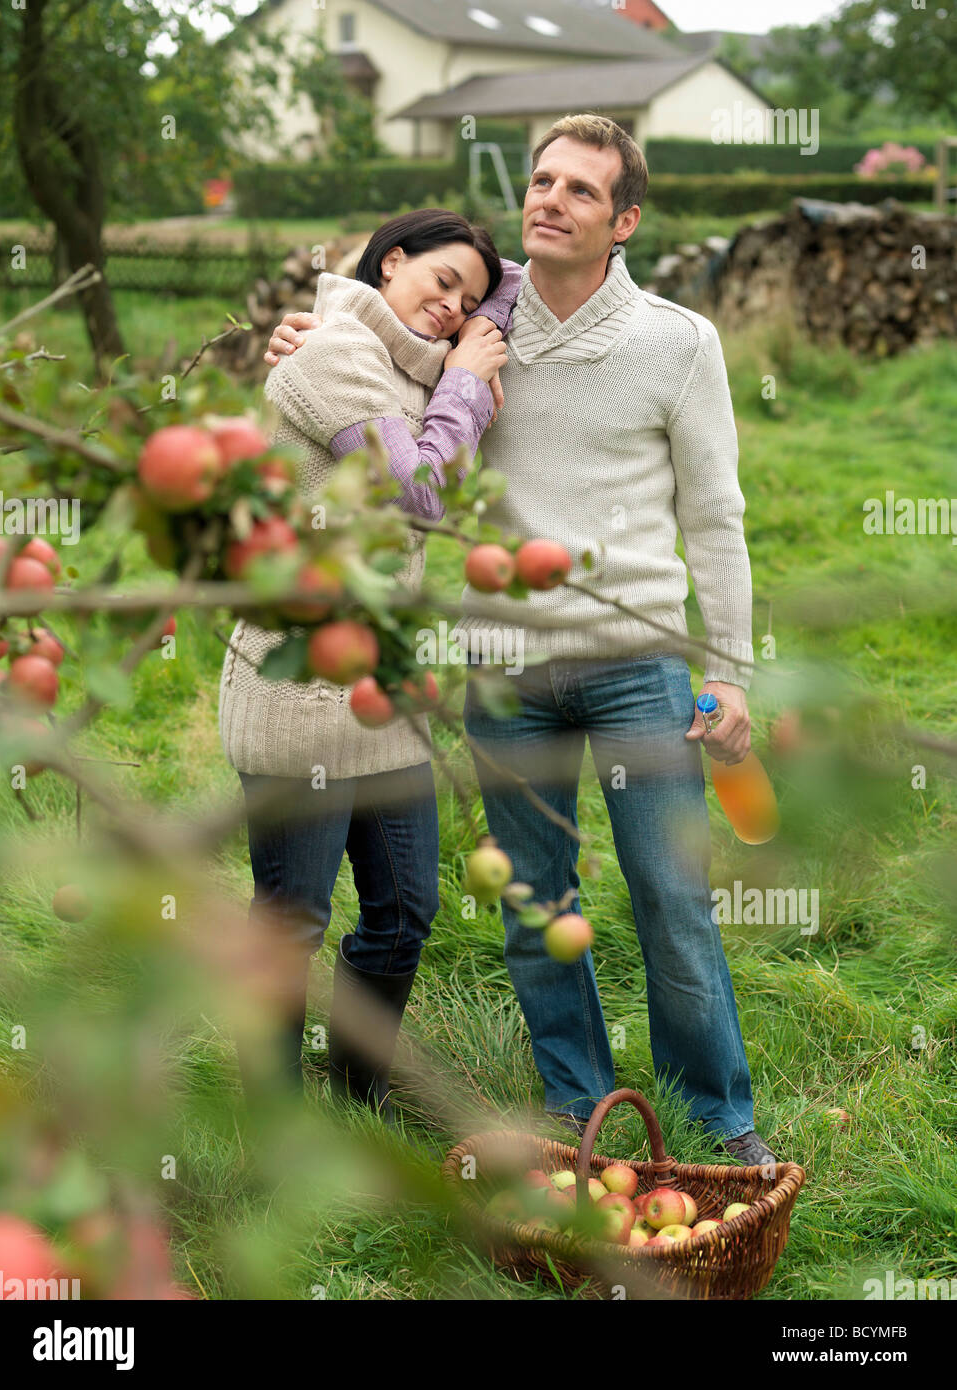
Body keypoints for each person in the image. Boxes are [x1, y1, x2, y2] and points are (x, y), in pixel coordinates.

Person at [266, 116, 779, 1166]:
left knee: (670, 896)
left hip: (636, 666)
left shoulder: (677, 343)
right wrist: (303, 334)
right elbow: (367, 336)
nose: (547, 199)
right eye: (539, 181)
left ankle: (717, 1119)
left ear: (623, 220)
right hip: (500, 662)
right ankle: (573, 1103)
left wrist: (726, 671)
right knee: (534, 904)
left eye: (578, 191)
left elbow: (714, 518)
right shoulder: (477, 325)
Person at [220, 208, 512, 1121]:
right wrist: (464, 380)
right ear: (393, 263)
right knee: (294, 918)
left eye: (467, 301)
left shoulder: (405, 370)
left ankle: (355, 1095)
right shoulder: (336, 356)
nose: (453, 308)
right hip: (300, 691)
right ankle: (270, 1119)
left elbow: (505, 306)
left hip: (383, 695)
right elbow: (413, 496)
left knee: (404, 911)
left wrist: (463, 353)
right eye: (440, 283)